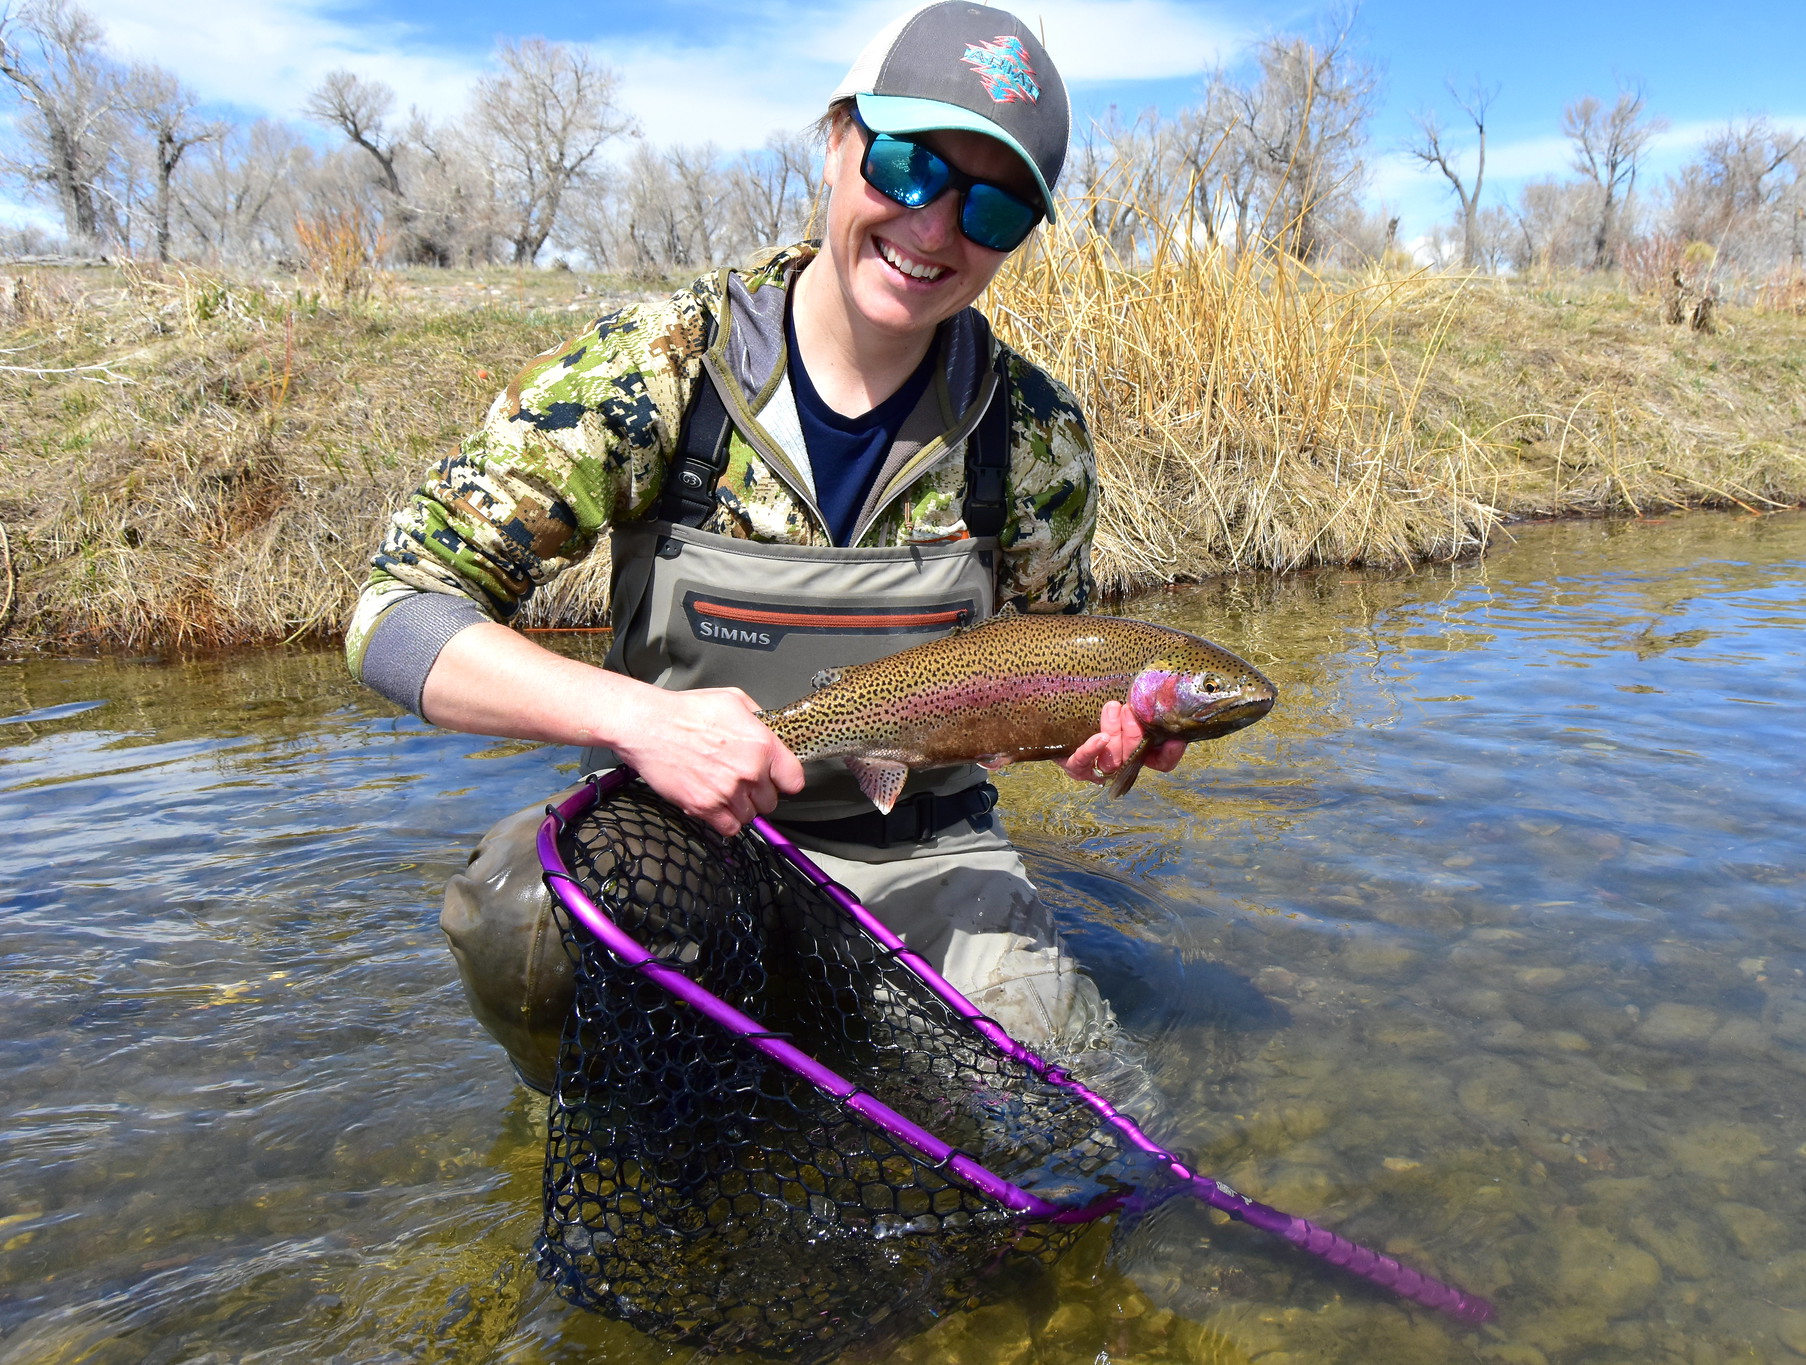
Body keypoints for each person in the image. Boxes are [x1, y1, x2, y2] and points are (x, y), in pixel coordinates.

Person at [345, 0, 1185, 1090]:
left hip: (925, 850)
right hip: (675, 842)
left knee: (1083, 1121)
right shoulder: (659, 371)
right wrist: (639, 719)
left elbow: (1048, 664)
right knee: (524, 929)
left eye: (993, 204)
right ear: (836, 141)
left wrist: (1083, 736)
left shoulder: (1033, 434)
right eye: (908, 165)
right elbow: (390, 613)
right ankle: (602, 1090)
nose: (935, 229)